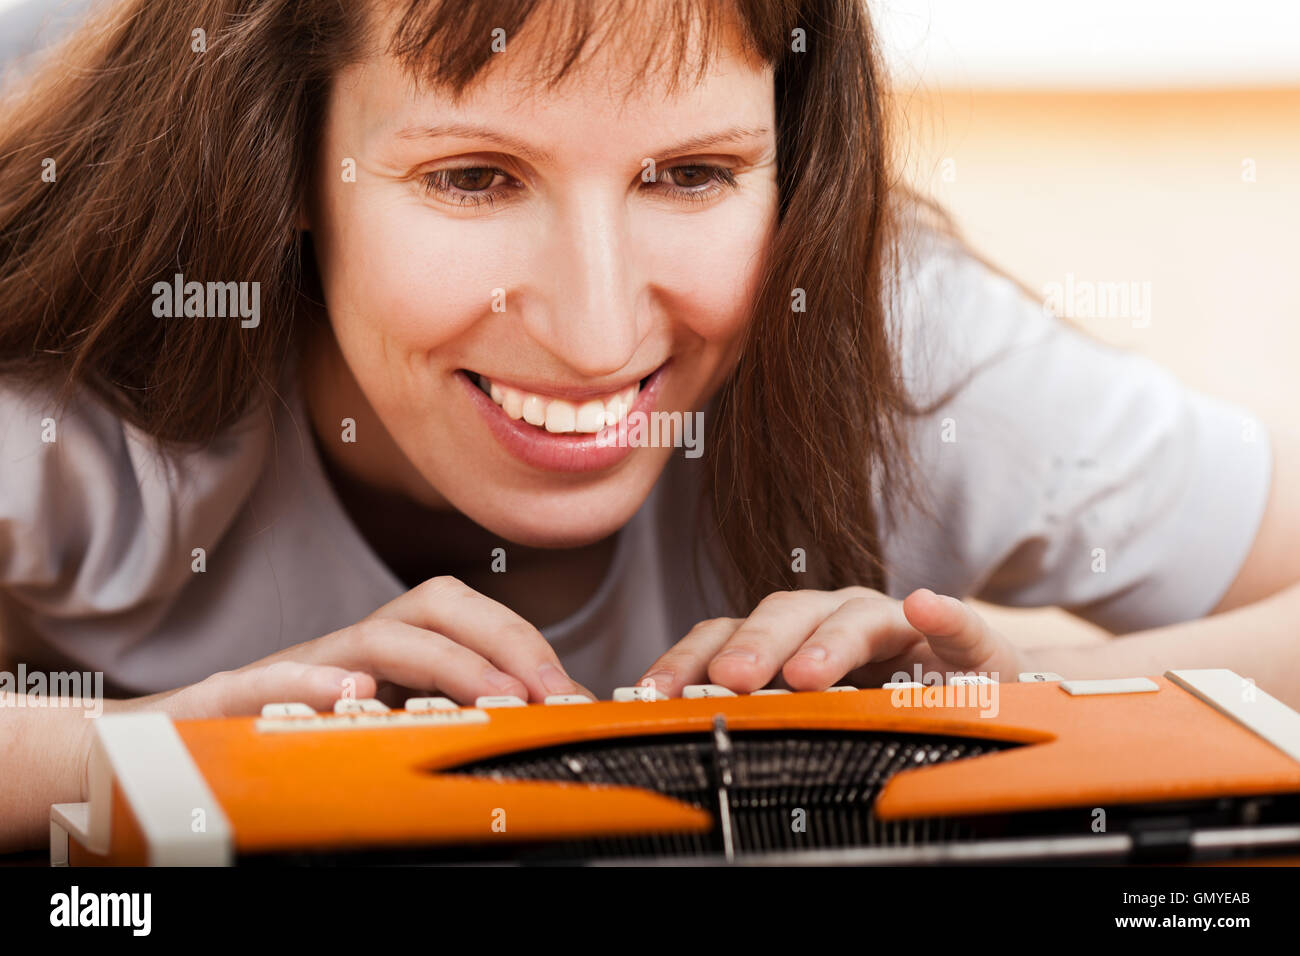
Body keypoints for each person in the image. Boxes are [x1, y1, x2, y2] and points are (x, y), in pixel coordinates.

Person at [0, 0, 1296, 852]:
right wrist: (124, 744)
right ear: (278, 160)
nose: (595, 328)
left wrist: (1018, 683)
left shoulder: (900, 353)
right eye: (472, 176)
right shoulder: (77, 372)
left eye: (691, 174)